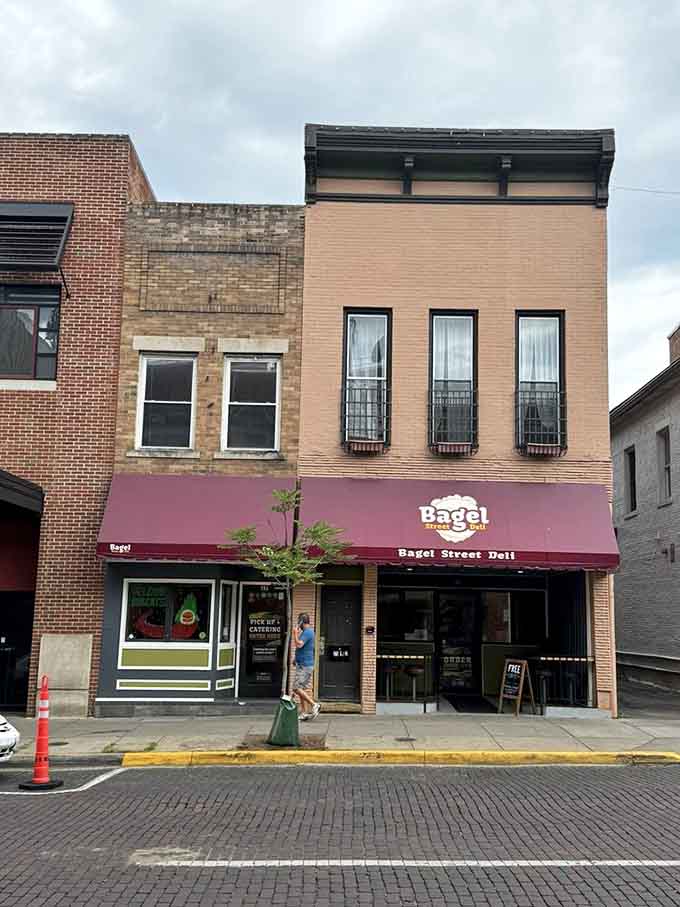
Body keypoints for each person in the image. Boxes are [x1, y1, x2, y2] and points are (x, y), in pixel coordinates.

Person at [292, 613, 320, 721]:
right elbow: (303, 648)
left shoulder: (307, 632)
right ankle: (304, 712)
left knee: (296, 688)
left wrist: (295, 633)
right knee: (301, 689)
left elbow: (299, 644)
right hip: (302, 664)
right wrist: (295, 659)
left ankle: (314, 705)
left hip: (305, 666)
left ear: (302, 622)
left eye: (299, 622)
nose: (298, 625)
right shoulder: (306, 632)